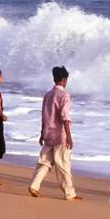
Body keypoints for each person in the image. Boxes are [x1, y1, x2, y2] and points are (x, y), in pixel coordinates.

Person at [29, 66, 81, 201]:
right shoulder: (64, 95)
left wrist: (42, 133)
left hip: (48, 133)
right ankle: (70, 193)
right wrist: (69, 135)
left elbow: (44, 116)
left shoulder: (48, 95)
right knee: (63, 164)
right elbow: (65, 116)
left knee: (45, 162)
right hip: (60, 134)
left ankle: (35, 185)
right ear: (64, 80)